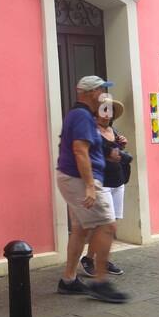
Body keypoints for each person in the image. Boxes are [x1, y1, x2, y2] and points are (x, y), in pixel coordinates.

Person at [56, 76, 130, 303]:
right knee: (107, 225)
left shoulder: (79, 116)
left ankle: (68, 281)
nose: (103, 94)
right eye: (101, 90)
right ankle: (100, 282)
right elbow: (79, 151)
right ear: (89, 93)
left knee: (79, 229)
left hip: (72, 178)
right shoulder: (82, 116)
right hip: (80, 179)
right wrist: (90, 186)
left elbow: (85, 148)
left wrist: (111, 153)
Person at [81, 95, 132, 278]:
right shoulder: (91, 132)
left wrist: (121, 145)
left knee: (112, 223)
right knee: (105, 225)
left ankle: (102, 258)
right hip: (101, 183)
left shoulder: (113, 130)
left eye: (109, 111)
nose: (106, 114)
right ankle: (88, 258)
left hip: (118, 181)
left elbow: (118, 154)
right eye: (103, 110)